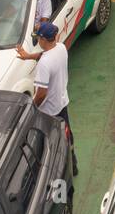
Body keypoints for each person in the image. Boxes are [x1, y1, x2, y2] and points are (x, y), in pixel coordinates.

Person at [16, 20, 78, 174]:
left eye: (39, 38)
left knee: (49, 144)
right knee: (67, 136)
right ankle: (73, 166)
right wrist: (28, 56)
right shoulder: (61, 48)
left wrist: (32, 107)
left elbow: (42, 93)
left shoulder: (45, 64)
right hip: (62, 103)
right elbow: (44, 54)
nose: (38, 41)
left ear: (44, 39)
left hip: (48, 111)